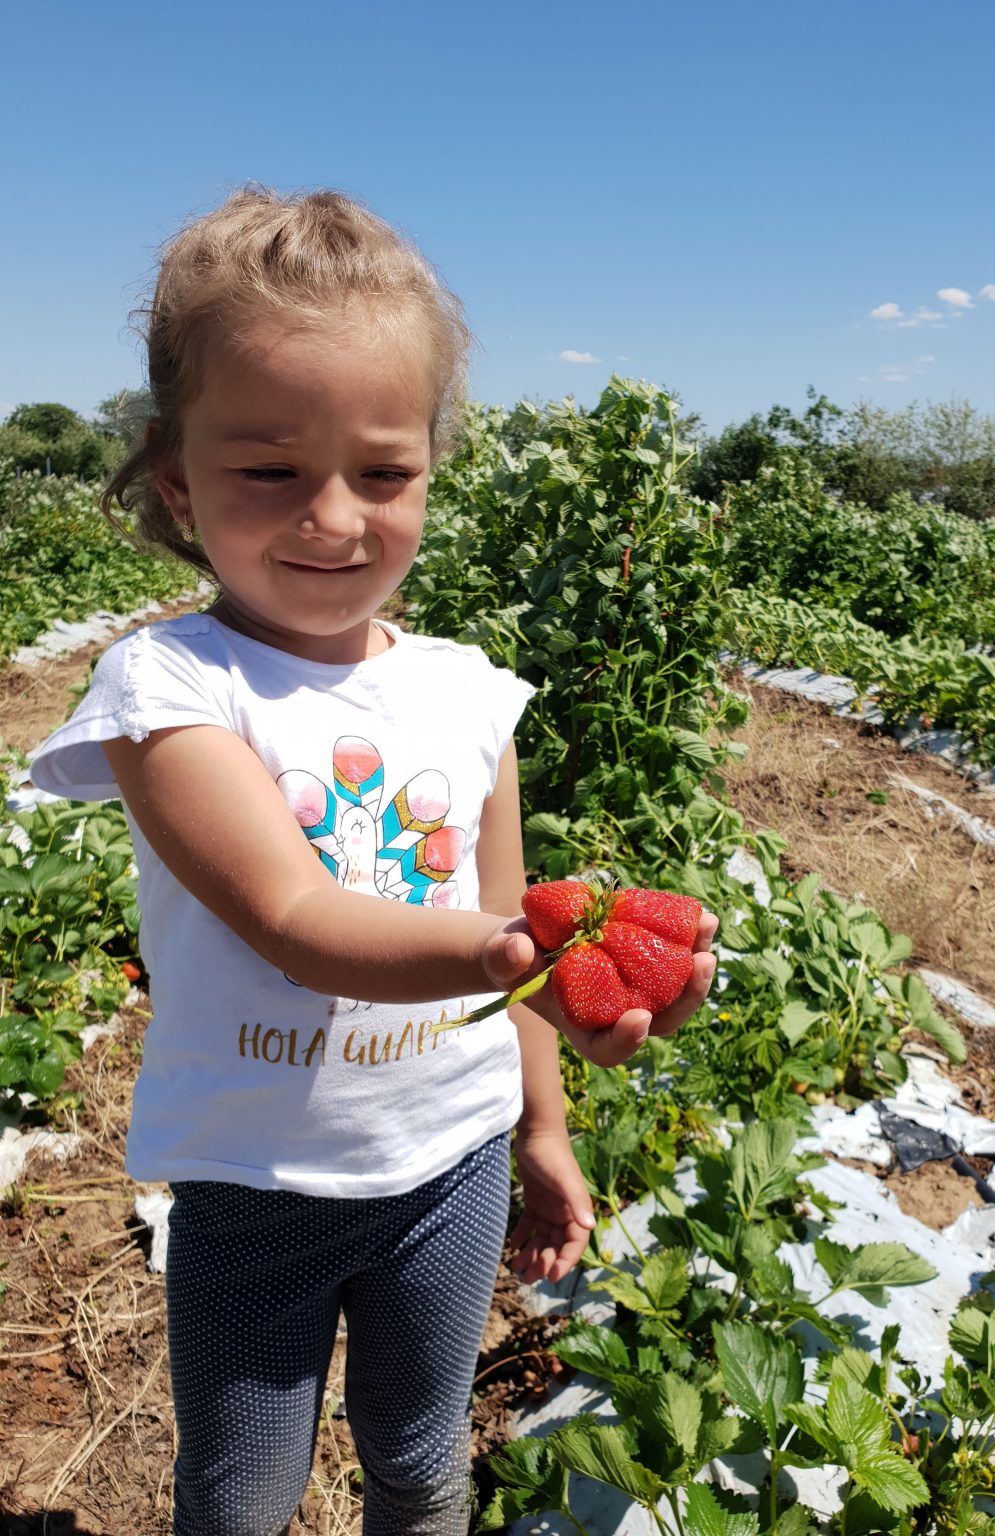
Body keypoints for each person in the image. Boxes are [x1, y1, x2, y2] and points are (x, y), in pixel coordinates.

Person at [29, 187, 718, 1536]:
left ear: (430, 472)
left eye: (384, 473)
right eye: (270, 470)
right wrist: (519, 952)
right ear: (178, 479)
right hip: (259, 1183)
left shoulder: (470, 694)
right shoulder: (167, 683)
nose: (335, 518)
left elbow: (507, 921)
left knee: (418, 1459)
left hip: (448, 1161)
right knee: (239, 1497)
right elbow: (293, 912)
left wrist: (547, 1125)